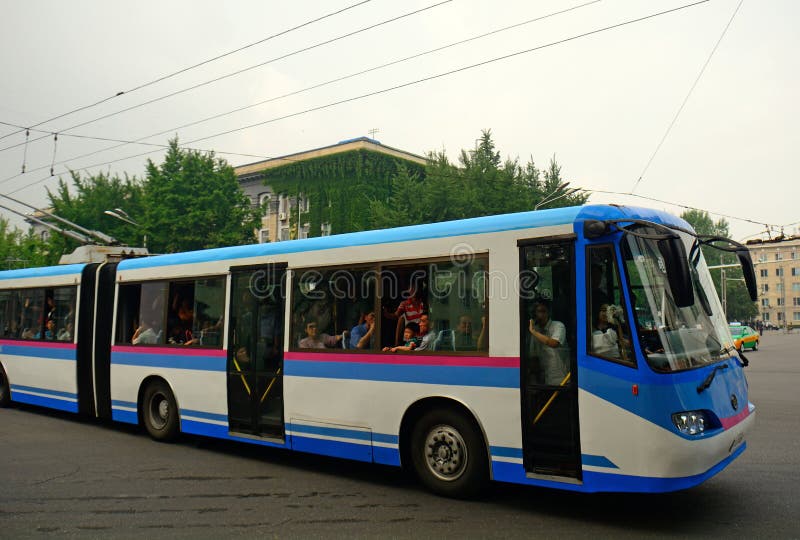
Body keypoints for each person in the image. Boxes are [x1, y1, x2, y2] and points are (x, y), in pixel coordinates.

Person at [528, 300, 569, 385]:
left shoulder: (558, 326)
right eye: (538, 312)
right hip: (544, 380)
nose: (541, 315)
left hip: (561, 380)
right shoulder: (535, 330)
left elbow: (554, 343)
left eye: (544, 311)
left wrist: (534, 332)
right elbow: (534, 358)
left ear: (548, 313)